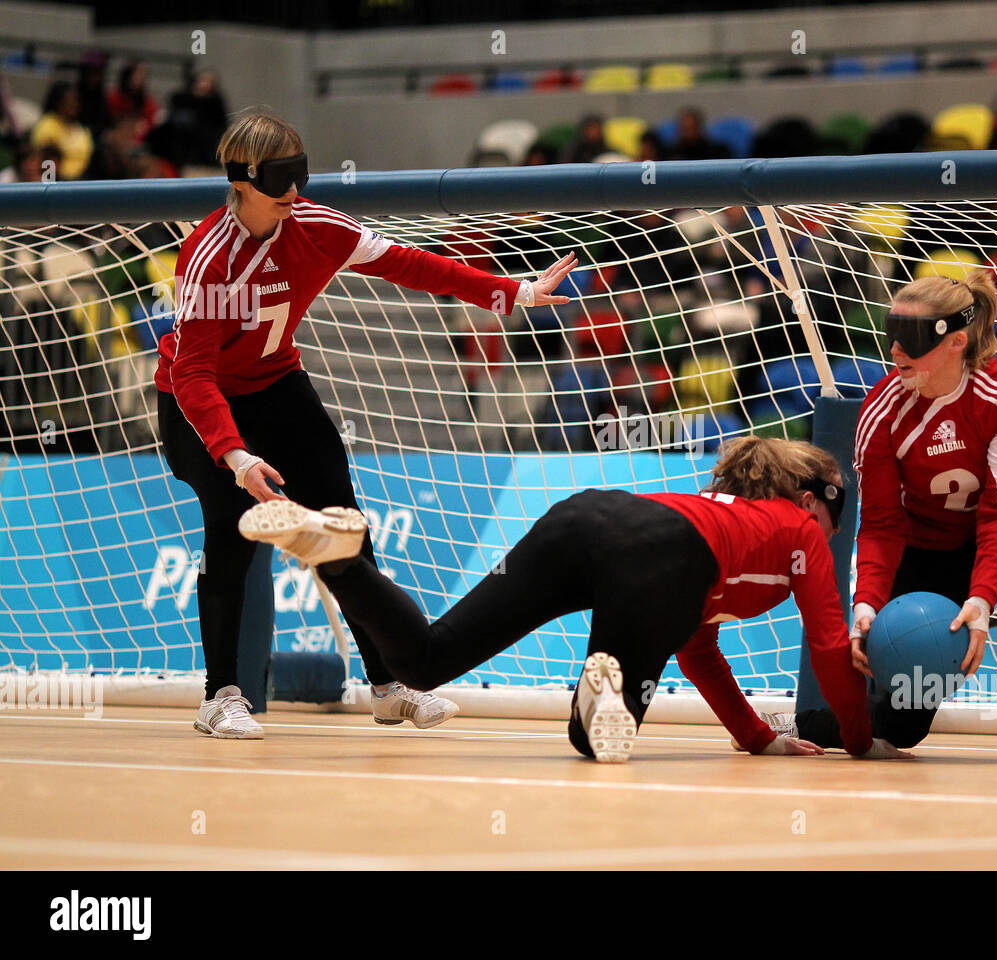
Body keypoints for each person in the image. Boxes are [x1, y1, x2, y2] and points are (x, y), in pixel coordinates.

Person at [154, 111, 578, 738]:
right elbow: (193, 374)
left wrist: (510, 292)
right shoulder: (209, 256)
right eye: (279, 180)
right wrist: (238, 458)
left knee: (342, 528)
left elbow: (412, 265)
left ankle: (388, 685)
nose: (295, 192)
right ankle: (220, 695)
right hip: (198, 404)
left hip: (277, 385)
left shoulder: (318, 227)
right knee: (229, 527)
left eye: (299, 175)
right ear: (242, 181)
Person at [240, 436, 915, 763]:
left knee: (424, 660)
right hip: (663, 559)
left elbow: (699, 652)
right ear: (808, 500)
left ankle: (341, 555)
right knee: (591, 743)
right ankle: (599, 690)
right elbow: (829, 649)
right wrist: (863, 743)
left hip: (587, 517)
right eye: (838, 515)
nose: (837, 532)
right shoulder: (799, 530)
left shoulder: (722, 522)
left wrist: (759, 740)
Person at [765, 271, 997, 763]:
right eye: (893, 336)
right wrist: (865, 607)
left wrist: (980, 600)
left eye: (911, 341)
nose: (896, 352)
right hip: (927, 544)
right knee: (899, 725)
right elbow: (882, 523)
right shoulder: (881, 411)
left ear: (956, 342)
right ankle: (801, 723)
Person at [29, 81, 93, 179]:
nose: (74, 105)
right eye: (70, 101)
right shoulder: (47, 124)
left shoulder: (81, 129)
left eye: (76, 101)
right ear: (58, 102)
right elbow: (43, 160)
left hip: (82, 179)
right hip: (54, 180)